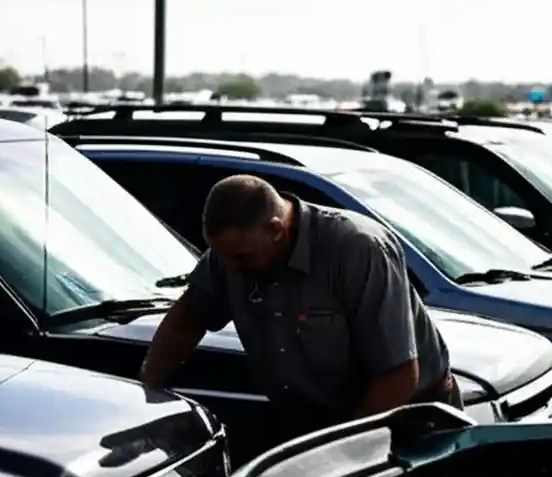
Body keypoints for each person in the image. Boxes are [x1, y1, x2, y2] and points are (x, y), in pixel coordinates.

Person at [140, 174, 460, 442]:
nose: (230, 268)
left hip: (407, 421)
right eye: (220, 255)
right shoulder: (233, 255)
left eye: (240, 257)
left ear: (277, 230)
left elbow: (398, 374)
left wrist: (344, 450)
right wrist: (148, 390)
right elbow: (189, 316)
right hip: (312, 422)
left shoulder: (357, 249)